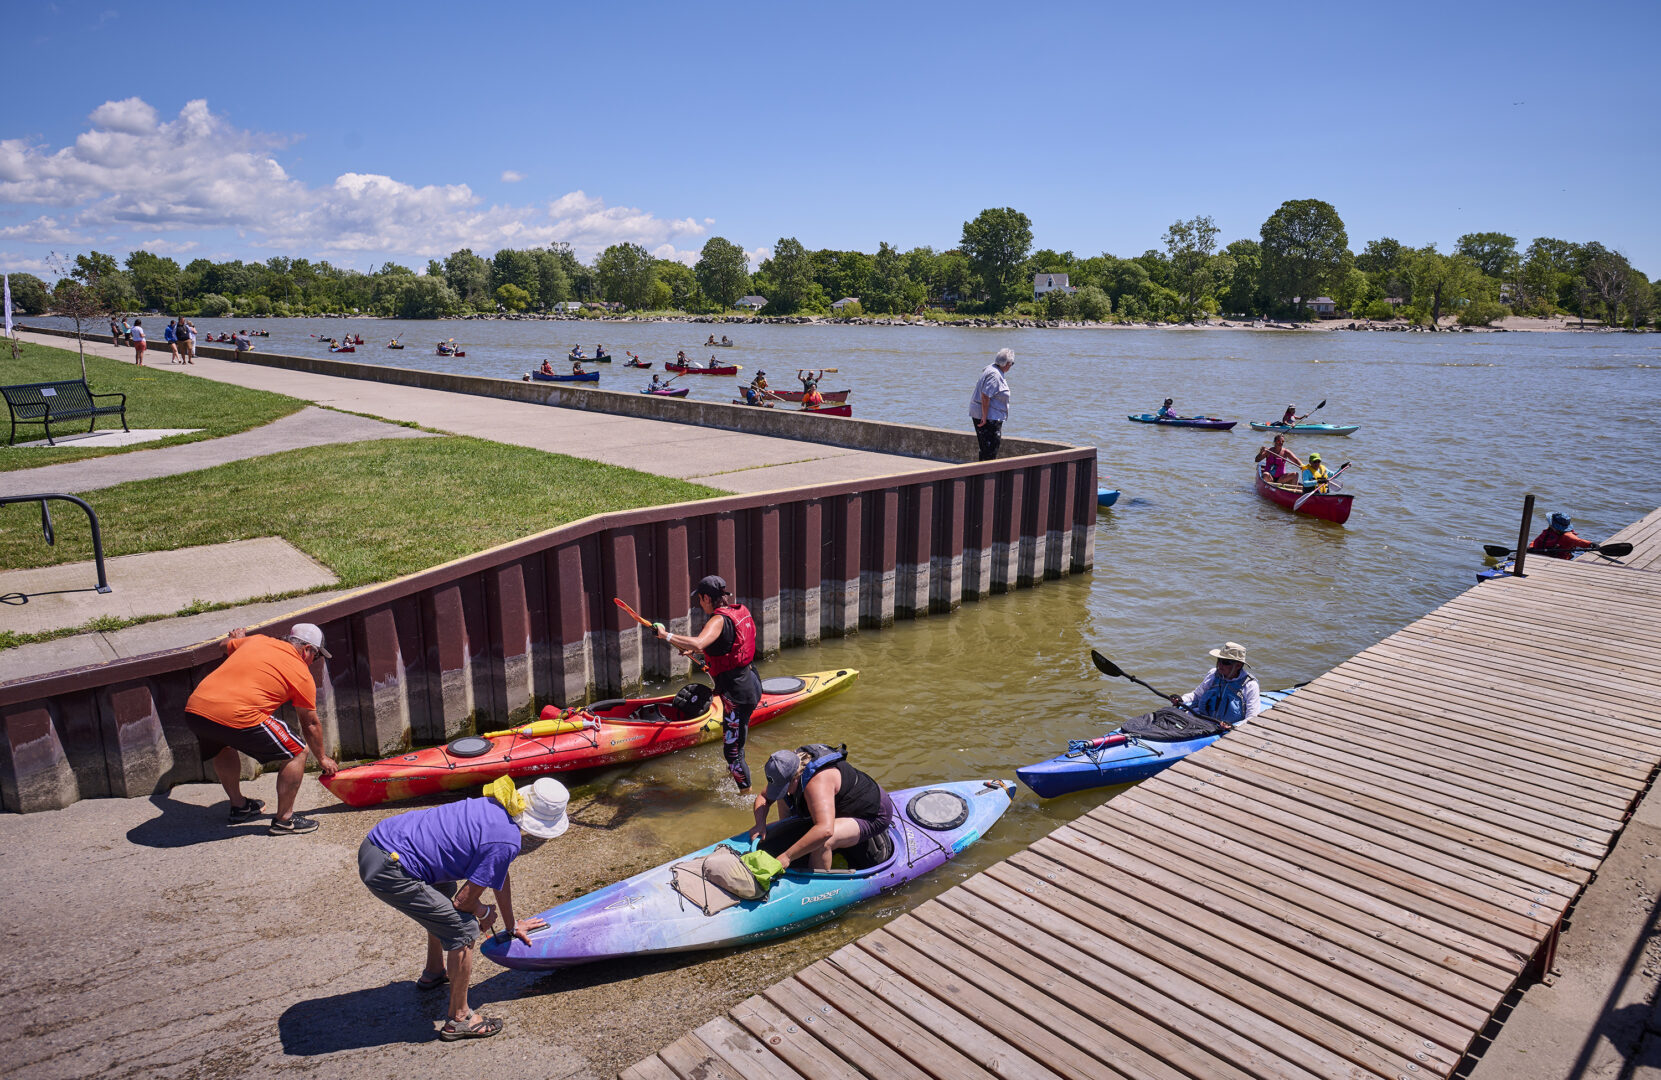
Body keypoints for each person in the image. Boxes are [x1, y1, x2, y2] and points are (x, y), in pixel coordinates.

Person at [359, 774, 561, 1041]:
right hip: (391, 868)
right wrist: (483, 912)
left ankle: (433, 972)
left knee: (443, 893)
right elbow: (464, 902)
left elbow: (498, 873)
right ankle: (459, 1018)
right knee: (462, 928)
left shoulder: (494, 806)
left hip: (378, 840)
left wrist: (512, 925)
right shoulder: (507, 841)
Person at [183, 623, 340, 834]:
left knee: (222, 746)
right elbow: (310, 723)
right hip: (236, 714)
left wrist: (238, 638)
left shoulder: (258, 640)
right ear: (306, 650)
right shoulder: (301, 674)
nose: (314, 661)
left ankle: (239, 807)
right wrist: (322, 758)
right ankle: (285, 820)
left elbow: (223, 645)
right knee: (297, 751)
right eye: (317, 656)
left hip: (196, 709)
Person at [654, 575, 761, 791]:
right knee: (738, 743)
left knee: (731, 754)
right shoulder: (737, 612)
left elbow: (700, 641)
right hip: (751, 683)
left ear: (705, 598)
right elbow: (724, 645)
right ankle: (735, 774)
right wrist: (694, 650)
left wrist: (666, 635)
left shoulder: (717, 620)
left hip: (737, 697)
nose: (700, 604)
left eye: (700, 600)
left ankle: (746, 794)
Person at [751, 745, 893, 872]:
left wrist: (786, 857)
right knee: (783, 798)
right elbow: (764, 798)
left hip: (871, 814)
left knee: (823, 841)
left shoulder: (817, 782)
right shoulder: (785, 769)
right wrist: (759, 824)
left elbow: (825, 831)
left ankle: (815, 885)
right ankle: (796, 841)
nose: (784, 790)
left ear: (795, 777)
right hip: (838, 804)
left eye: (785, 786)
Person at [1167, 642, 1261, 726]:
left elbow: (1252, 717)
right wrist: (1182, 699)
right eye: (1219, 660)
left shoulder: (1250, 686)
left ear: (1238, 665)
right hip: (1203, 718)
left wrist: (1234, 727)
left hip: (1225, 727)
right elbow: (1196, 695)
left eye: (1225, 662)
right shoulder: (1213, 674)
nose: (1220, 665)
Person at [969, 348, 1014, 461]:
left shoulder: (992, 369)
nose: (1011, 366)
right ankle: (986, 475)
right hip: (989, 417)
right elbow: (985, 396)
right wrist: (984, 417)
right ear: (1007, 364)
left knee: (986, 449)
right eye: (1012, 364)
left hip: (988, 415)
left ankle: (983, 474)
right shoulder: (995, 375)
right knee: (990, 450)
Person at [1530, 512, 1597, 559]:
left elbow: (1578, 541)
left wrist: (1591, 544)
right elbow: (1537, 540)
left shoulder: (1567, 536)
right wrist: (1531, 547)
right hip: (1540, 555)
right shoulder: (1549, 531)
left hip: (1558, 560)